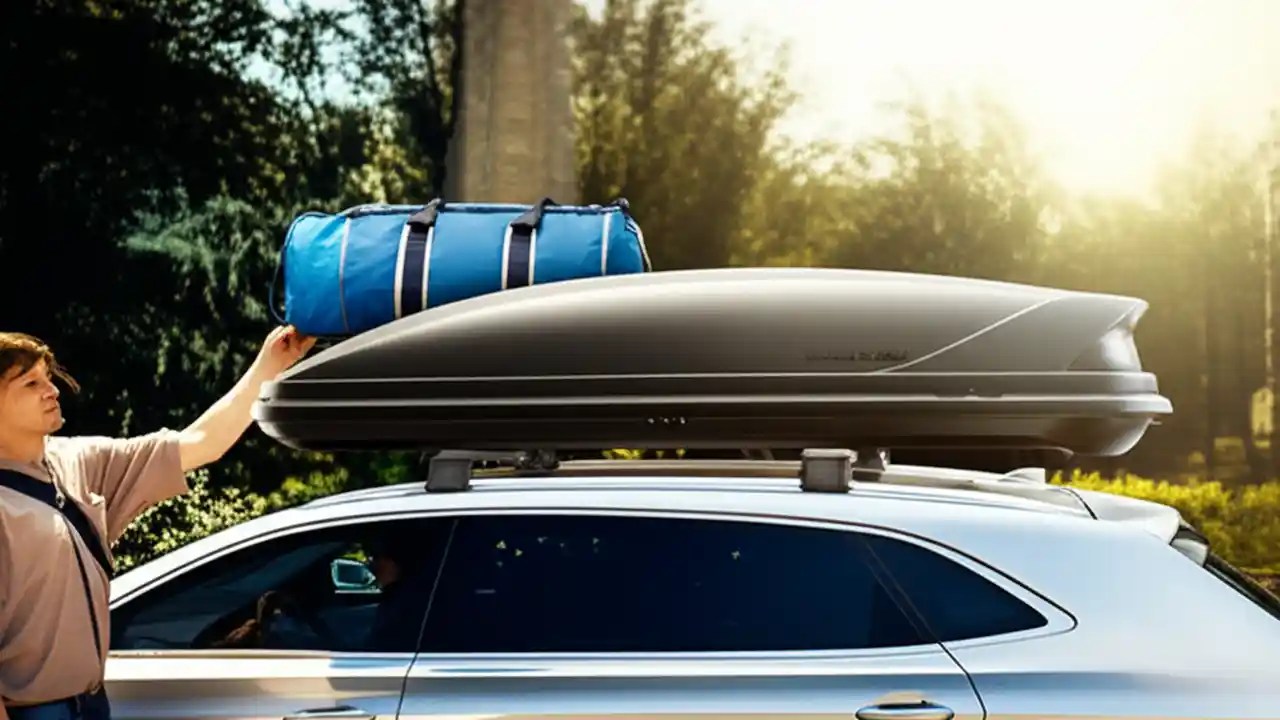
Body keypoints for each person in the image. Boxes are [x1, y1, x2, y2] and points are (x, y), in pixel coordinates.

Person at [0, 326, 316, 720]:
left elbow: (201, 442)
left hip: (92, 704)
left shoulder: (80, 461)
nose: (52, 390)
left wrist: (270, 365)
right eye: (31, 383)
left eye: (48, 377)